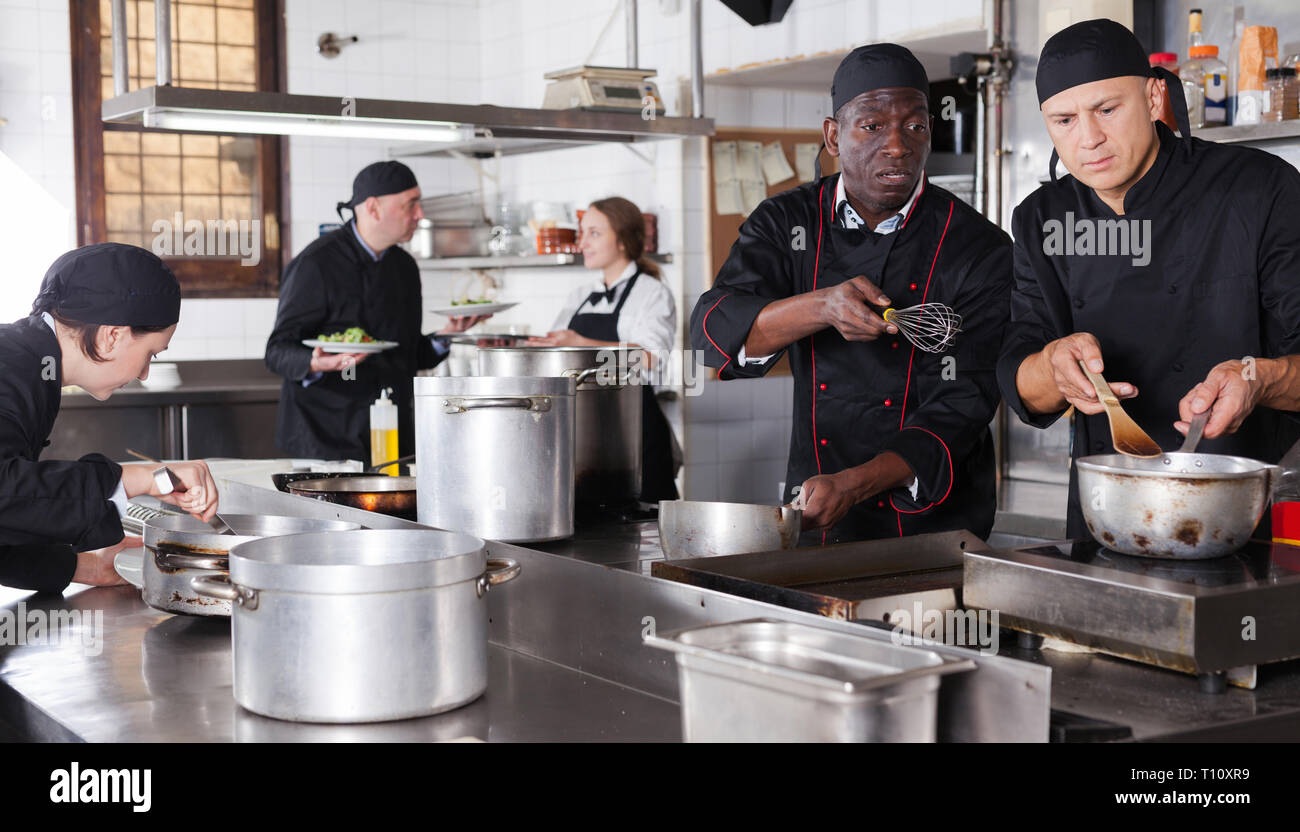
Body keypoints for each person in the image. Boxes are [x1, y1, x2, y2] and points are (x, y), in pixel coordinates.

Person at [689, 44, 1012, 544]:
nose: (898, 145)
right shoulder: (786, 221)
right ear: (833, 136)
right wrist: (820, 306)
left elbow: (964, 401)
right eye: (872, 125)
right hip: (817, 510)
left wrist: (855, 484)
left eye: (915, 125)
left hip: (936, 528)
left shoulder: (977, 245)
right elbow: (716, 326)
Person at [998, 18, 1300, 538]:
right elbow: (1020, 379)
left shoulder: (1259, 190)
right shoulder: (1042, 219)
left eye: (1107, 110)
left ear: (1155, 96)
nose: (1088, 139)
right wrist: (1053, 368)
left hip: (1245, 521)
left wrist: (1256, 379)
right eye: (1064, 120)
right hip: (1105, 518)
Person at [0, 244, 220, 592]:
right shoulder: (12, 369)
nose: (145, 373)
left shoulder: (29, 365)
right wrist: (148, 479)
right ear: (111, 336)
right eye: (150, 354)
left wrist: (84, 567)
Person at [265, 161, 488, 463]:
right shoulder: (316, 264)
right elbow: (277, 351)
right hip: (326, 441)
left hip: (393, 436)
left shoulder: (404, 267)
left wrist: (446, 336)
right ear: (373, 209)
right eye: (411, 205)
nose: (420, 214)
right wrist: (316, 363)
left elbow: (408, 355)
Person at [528, 197, 680, 501]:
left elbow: (649, 359)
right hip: (582, 429)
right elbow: (557, 352)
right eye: (582, 233)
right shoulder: (580, 295)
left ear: (623, 239)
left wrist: (581, 344)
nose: (582, 243)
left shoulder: (653, 294)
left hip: (634, 429)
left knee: (644, 528)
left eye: (594, 233)